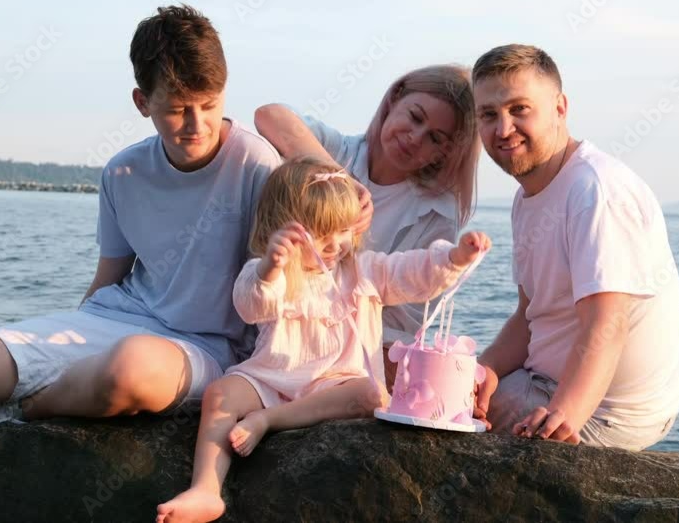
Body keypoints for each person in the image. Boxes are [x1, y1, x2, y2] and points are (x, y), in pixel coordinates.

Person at [0, 5, 280, 444]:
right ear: (142, 102)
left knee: (129, 369)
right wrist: (64, 346)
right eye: (177, 110)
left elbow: (271, 293)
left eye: (209, 105)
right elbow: (107, 280)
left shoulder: (256, 164)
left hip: (206, 347)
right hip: (113, 320)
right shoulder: (123, 171)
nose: (197, 124)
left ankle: (11, 414)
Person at [155, 157, 490, 523]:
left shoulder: (365, 270)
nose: (334, 244)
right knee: (221, 394)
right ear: (283, 230)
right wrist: (271, 267)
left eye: (343, 230)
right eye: (319, 233)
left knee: (371, 394)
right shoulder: (272, 272)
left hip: (336, 385)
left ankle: (268, 420)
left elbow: (413, 272)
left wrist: (456, 256)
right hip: (273, 379)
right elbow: (251, 306)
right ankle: (206, 488)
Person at [470, 44, 679, 451]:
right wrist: (483, 372)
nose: (503, 129)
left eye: (519, 109)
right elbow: (528, 317)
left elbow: (607, 323)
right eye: (488, 115)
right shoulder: (528, 198)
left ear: (560, 107)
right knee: (447, 391)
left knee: (437, 421)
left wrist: (564, 415)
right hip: (546, 383)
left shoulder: (595, 190)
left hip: (607, 411)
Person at [254, 65, 482, 388]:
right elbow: (270, 115)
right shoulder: (339, 151)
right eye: (415, 117)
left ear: (444, 153)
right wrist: (339, 180)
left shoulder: (437, 213)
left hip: (353, 359)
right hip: (281, 335)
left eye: (435, 138)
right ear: (394, 99)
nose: (415, 138)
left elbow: (405, 321)